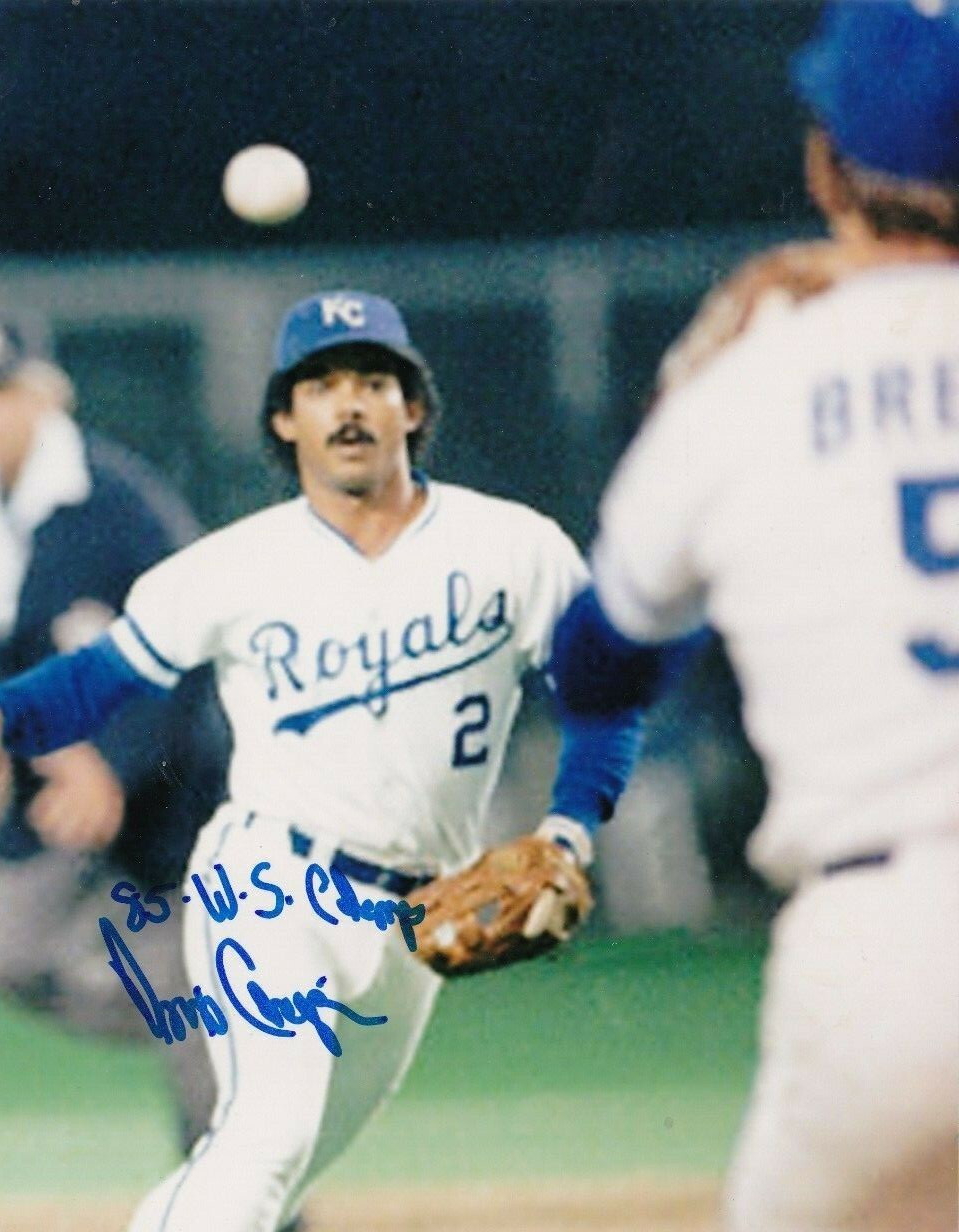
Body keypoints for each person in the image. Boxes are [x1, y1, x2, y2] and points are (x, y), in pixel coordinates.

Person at [0, 291, 641, 1232]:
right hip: (268, 884)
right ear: (284, 419)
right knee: (263, 1144)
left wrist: (570, 831)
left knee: (261, 1177)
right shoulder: (237, 564)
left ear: (412, 409)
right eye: (321, 385)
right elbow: (104, 674)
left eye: (373, 381)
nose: (348, 405)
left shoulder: (513, 548)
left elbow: (604, 694)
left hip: (415, 921)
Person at [549, 7, 959, 1230]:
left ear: (824, 166)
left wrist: (700, 384)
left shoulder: (752, 374)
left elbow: (597, 659)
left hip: (887, 956)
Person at [0, 312, 224, 1149]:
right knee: (5, 957)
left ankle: (247, 1192)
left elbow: (189, 644)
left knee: (205, 1088)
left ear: (45, 395)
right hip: (51, 773)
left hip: (169, 777)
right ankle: (227, 1020)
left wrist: (112, 763)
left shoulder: (117, 498)